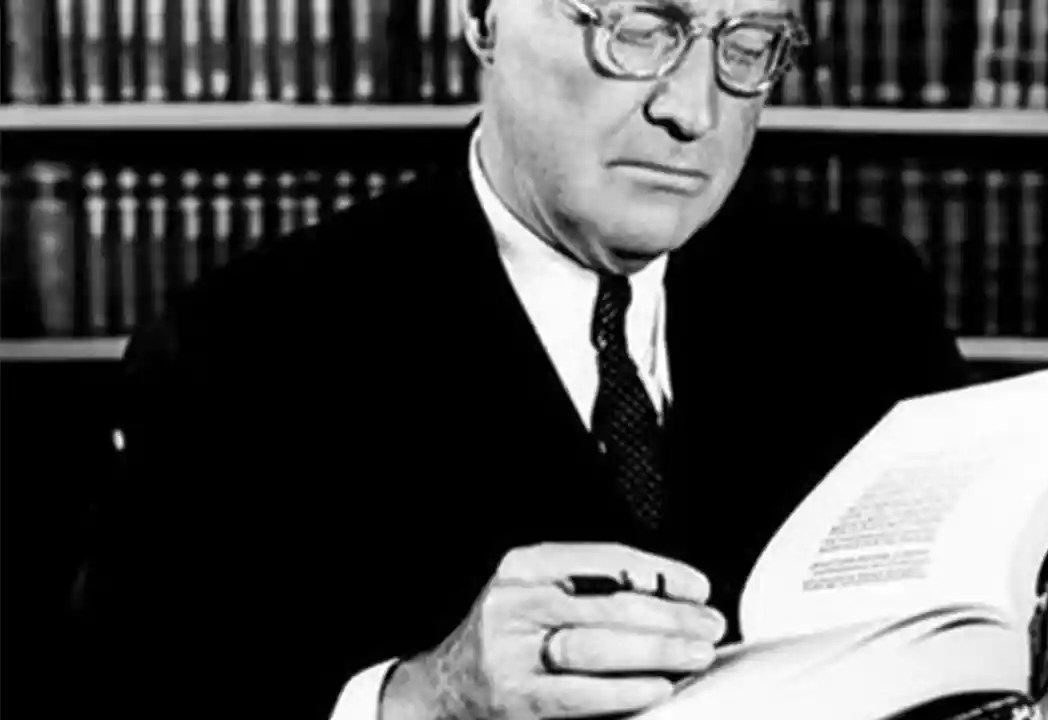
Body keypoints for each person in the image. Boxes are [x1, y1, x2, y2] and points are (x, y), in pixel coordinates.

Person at [72, 0, 968, 718]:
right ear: (482, 20)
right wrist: (423, 701)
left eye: (748, 44)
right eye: (640, 30)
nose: (693, 111)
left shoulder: (868, 298)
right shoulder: (241, 345)